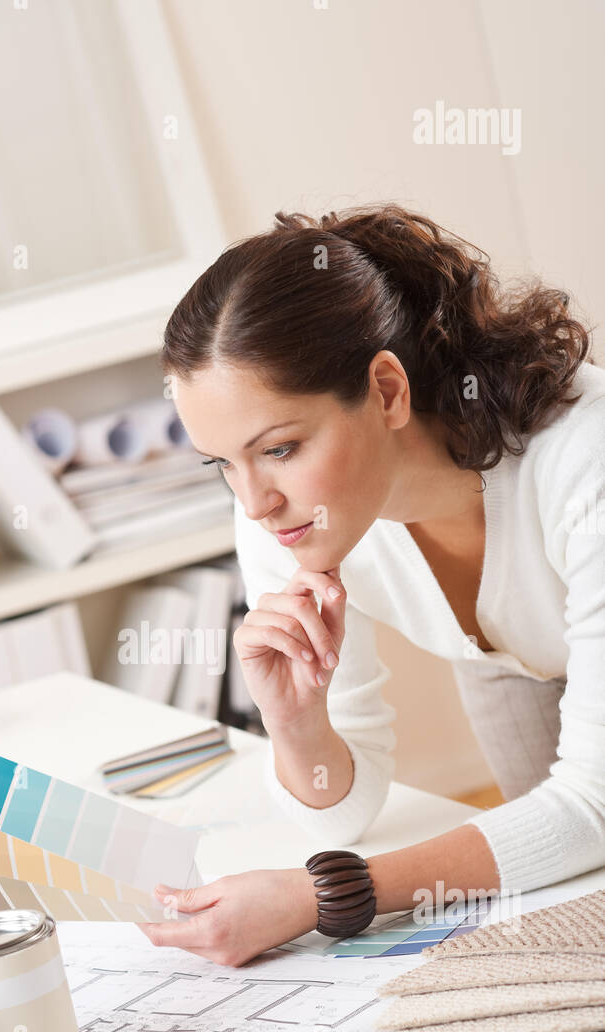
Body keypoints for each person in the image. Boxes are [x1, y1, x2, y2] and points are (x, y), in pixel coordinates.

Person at [144, 203, 604, 965]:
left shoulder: (580, 462)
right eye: (221, 463)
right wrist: (296, 724)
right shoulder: (286, 514)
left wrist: (326, 897)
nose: (253, 502)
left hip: (554, 643)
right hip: (510, 661)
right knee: (566, 916)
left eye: (281, 448)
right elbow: (340, 818)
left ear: (388, 391)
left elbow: (592, 805)